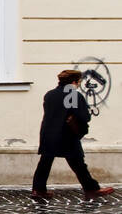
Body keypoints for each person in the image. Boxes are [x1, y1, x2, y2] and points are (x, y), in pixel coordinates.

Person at [32, 68, 114, 200]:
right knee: (78, 164)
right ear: (75, 81)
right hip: (66, 135)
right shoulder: (73, 95)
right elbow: (82, 116)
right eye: (79, 81)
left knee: (45, 163)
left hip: (48, 133)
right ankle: (91, 189)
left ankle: (38, 189)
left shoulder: (50, 94)